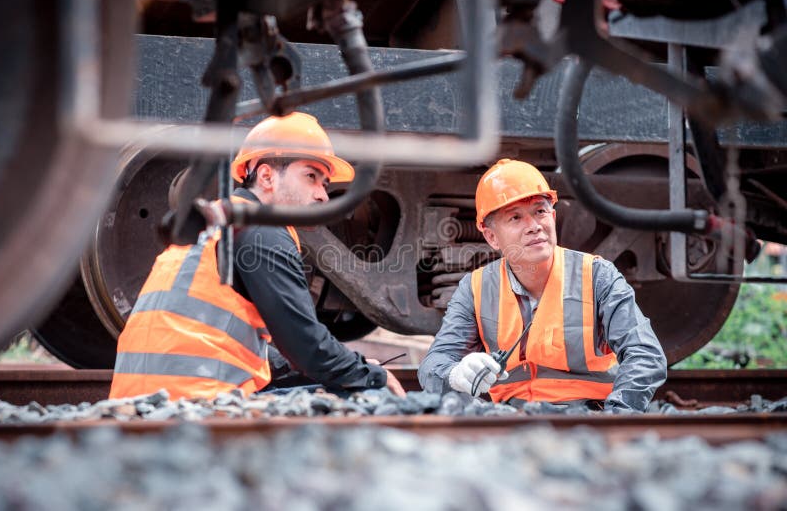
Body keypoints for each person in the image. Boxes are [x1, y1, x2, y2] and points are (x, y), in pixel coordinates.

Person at [110, 112, 405, 400]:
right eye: (311, 177)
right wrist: (372, 375)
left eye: (325, 184)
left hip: (140, 402)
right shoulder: (263, 230)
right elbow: (308, 348)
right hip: (196, 402)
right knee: (368, 394)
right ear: (266, 177)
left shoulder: (218, 224)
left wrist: (350, 366)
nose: (323, 196)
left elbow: (264, 350)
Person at [418, 159, 666, 413]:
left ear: (553, 216)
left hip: (589, 418)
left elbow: (646, 355)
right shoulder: (475, 288)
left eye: (540, 211)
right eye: (515, 217)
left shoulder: (597, 275)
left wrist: (616, 416)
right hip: (510, 424)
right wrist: (455, 374)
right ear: (491, 237)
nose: (534, 226)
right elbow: (433, 365)